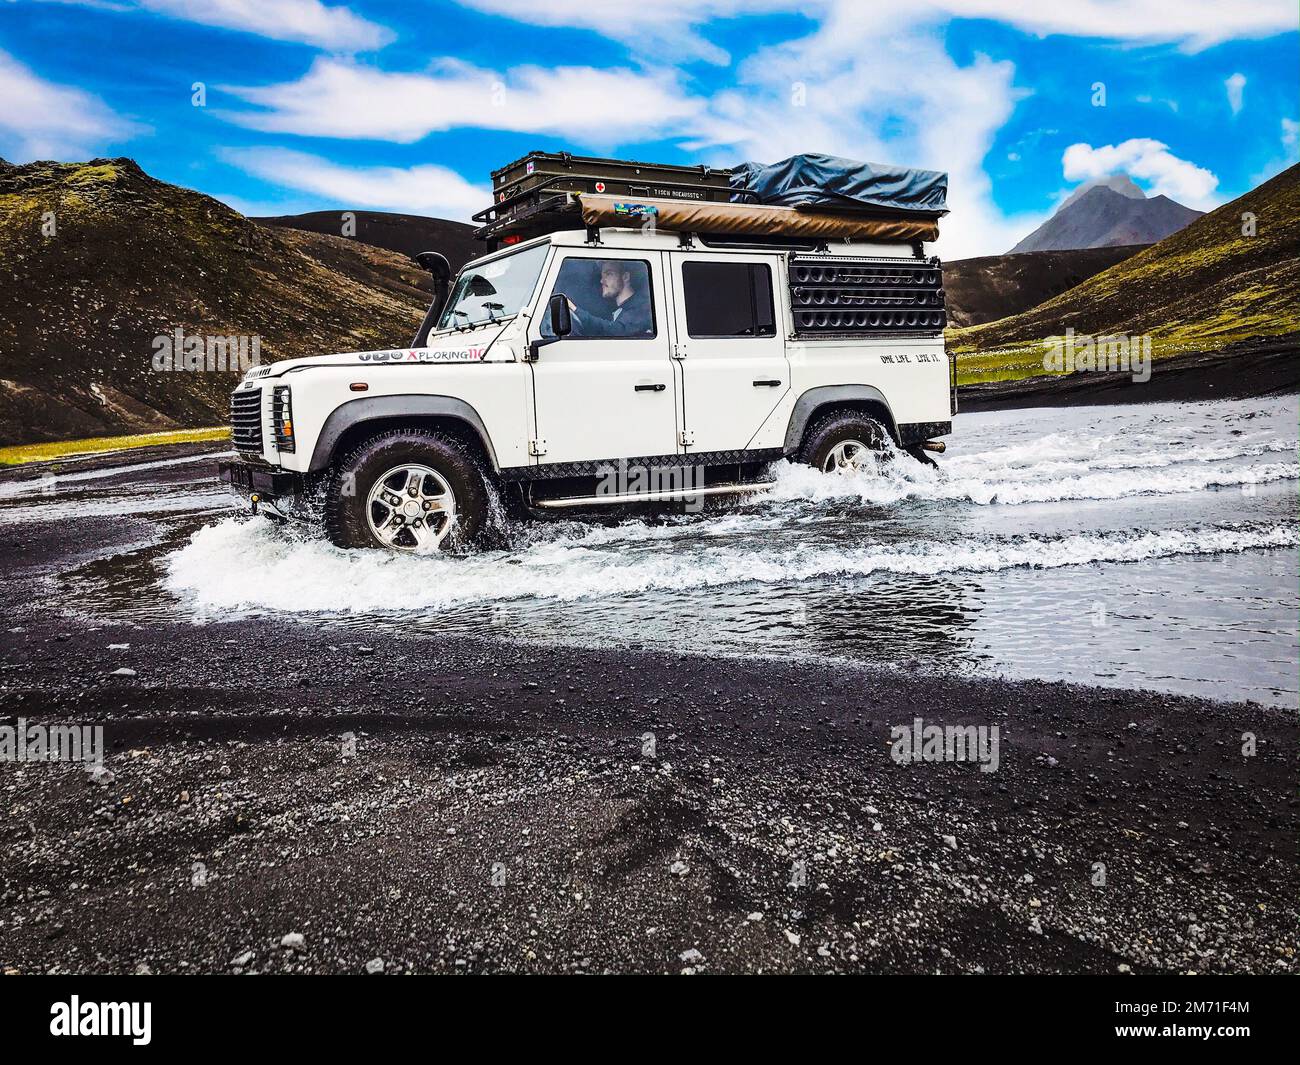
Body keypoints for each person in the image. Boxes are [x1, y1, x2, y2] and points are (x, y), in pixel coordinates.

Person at [566, 261, 653, 337]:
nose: (602, 281)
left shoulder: (642, 308)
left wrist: (575, 310)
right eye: (602, 276)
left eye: (609, 274)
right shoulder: (618, 312)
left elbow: (617, 331)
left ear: (625, 277)